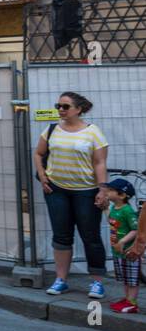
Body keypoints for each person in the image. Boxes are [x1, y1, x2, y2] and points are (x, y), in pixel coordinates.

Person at [34, 91, 108, 298]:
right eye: (58, 106)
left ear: (78, 109)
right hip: (56, 191)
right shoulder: (51, 129)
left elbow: (100, 162)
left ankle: (97, 282)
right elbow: (38, 153)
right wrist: (42, 176)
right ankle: (61, 280)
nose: (60, 110)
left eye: (65, 106)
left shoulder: (93, 132)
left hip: (86, 192)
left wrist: (102, 189)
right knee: (61, 236)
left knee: (90, 236)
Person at [100, 179, 140, 314]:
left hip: (129, 252)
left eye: (111, 190)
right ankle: (127, 299)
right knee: (125, 278)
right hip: (118, 252)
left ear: (122, 195)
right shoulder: (114, 208)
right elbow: (112, 222)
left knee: (132, 279)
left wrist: (122, 242)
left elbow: (135, 230)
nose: (107, 192)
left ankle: (132, 303)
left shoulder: (127, 211)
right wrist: (105, 209)